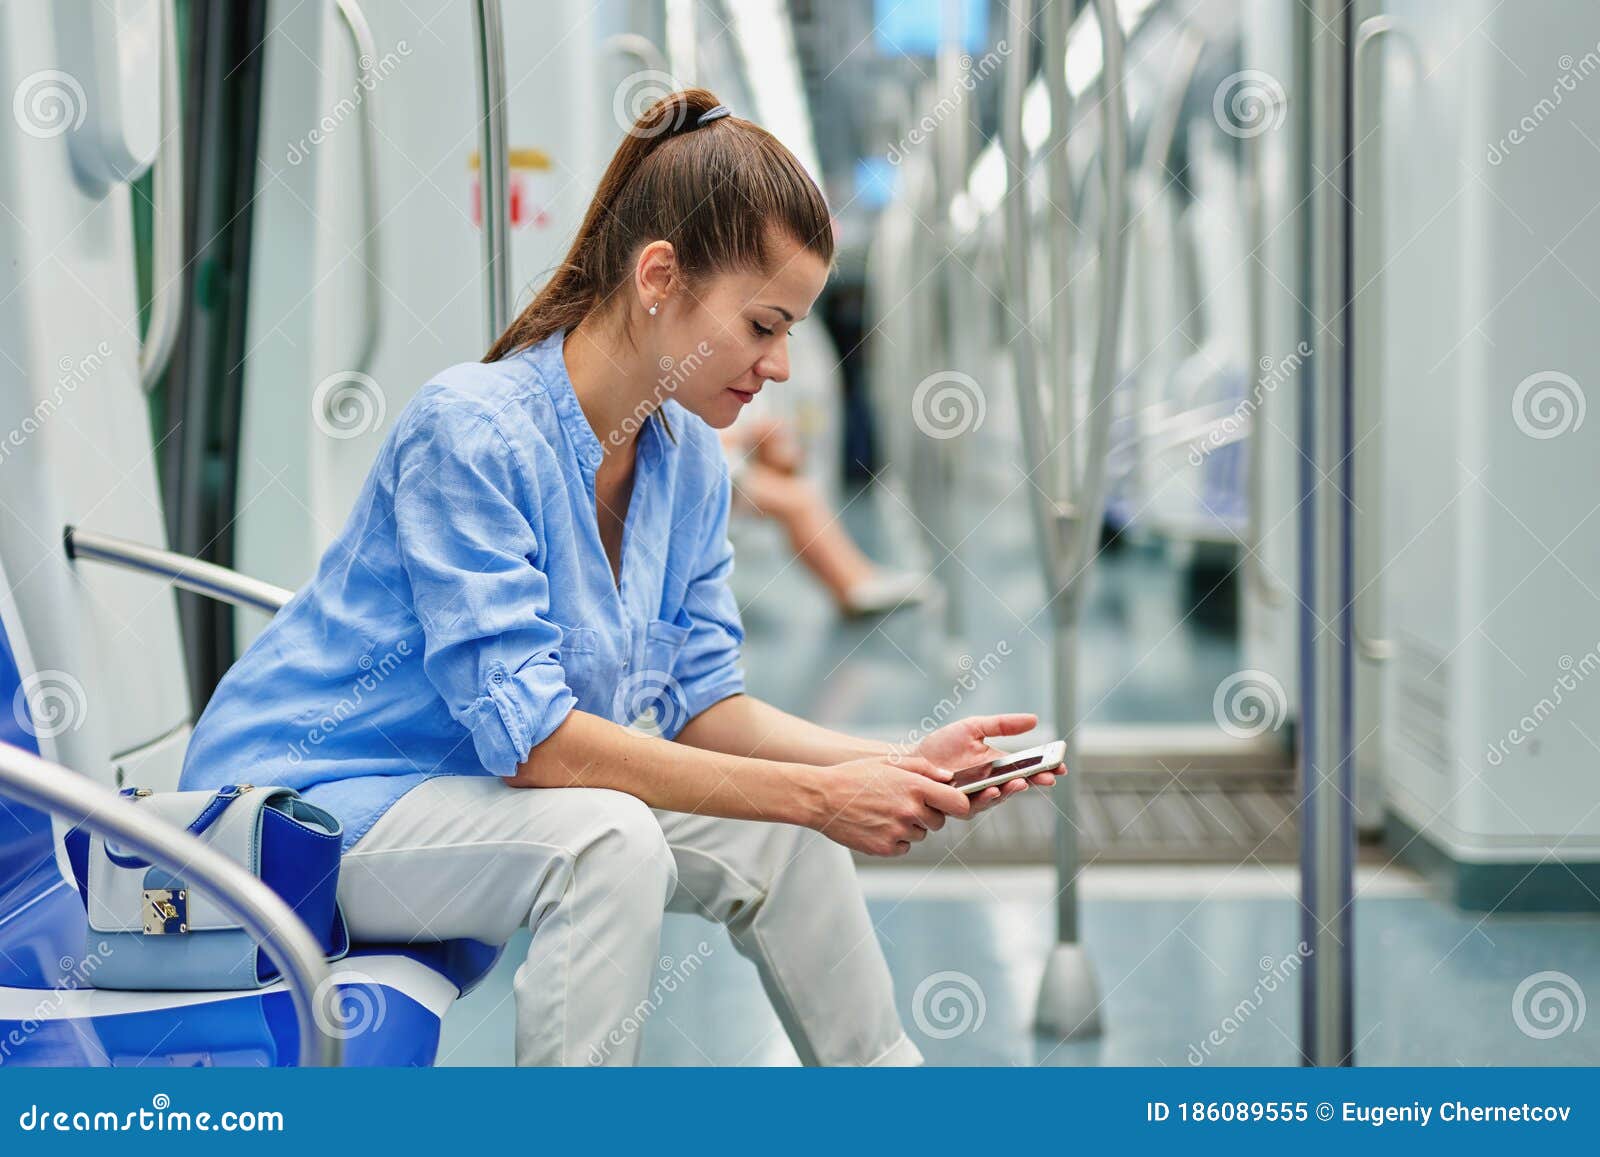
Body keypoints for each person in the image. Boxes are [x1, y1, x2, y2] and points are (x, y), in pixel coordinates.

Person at [179, 89, 1057, 1067]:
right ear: (659, 277)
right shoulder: (470, 433)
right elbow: (534, 745)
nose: (778, 364)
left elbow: (705, 704)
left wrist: (891, 764)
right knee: (612, 838)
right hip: (291, 820)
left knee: (784, 828)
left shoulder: (685, 464)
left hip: (455, 800)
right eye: (763, 325)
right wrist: (817, 792)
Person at [719, 417, 930, 616]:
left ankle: (859, 575)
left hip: (721, 464)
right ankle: (851, 586)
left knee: (796, 487)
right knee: (799, 501)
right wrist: (747, 434)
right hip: (714, 471)